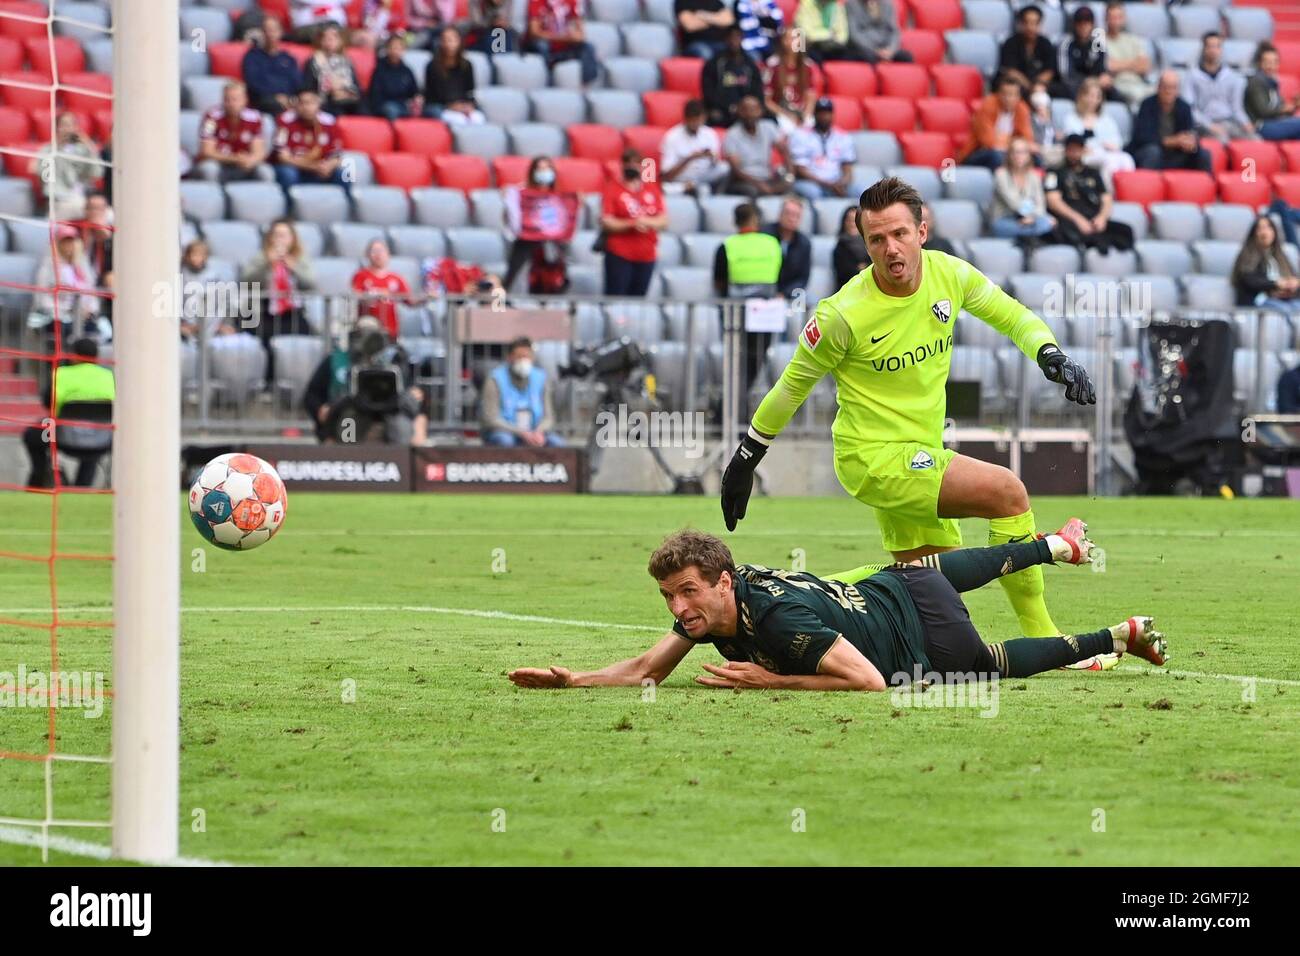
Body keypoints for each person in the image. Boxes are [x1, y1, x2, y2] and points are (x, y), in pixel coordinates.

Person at [718, 177, 1108, 663]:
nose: (891, 248)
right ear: (864, 244)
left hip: (922, 451)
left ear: (922, 230)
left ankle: (780, 602)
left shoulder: (949, 274)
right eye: (877, 239)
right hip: (873, 459)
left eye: (900, 233)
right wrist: (746, 457)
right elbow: (791, 388)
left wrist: (1050, 353)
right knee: (1006, 493)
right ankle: (1050, 638)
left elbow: (1012, 315)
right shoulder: (842, 314)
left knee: (929, 586)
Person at [507, 526, 1168, 691]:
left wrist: (775, 679)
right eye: (669, 598)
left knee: (986, 665)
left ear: (723, 581)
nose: (679, 610)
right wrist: (575, 680)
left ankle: (1117, 633)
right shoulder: (714, 610)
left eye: (686, 592)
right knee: (926, 568)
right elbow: (648, 670)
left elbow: (870, 683)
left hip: (920, 636)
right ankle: (1054, 544)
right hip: (900, 583)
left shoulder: (776, 622)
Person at [303, 316, 428, 445]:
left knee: (403, 428)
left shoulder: (395, 360)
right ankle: (346, 457)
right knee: (347, 424)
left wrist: (416, 394)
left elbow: (412, 391)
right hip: (356, 407)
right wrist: (321, 409)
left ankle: (402, 459)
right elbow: (311, 395)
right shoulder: (338, 359)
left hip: (391, 408)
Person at [22, 338, 115, 489]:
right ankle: (82, 485)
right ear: (96, 357)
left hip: (62, 436)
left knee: (31, 435)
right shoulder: (109, 377)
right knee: (95, 434)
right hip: (101, 440)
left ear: (74, 355)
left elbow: (48, 403)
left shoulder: (62, 374)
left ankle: (39, 476)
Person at [713, 202, 783, 395]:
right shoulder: (772, 243)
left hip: (735, 313)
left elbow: (719, 281)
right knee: (756, 360)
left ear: (735, 221)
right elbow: (780, 274)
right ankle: (737, 407)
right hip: (766, 313)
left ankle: (731, 408)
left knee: (736, 364)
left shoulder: (727, 245)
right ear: (756, 220)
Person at [240, 218, 316, 387]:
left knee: (308, 337)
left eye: (284, 235)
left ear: (292, 239)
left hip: (291, 312)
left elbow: (310, 283)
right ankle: (268, 384)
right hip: (265, 311)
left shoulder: (299, 259)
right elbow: (247, 280)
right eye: (277, 235)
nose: (280, 239)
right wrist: (267, 264)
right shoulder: (261, 257)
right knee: (265, 340)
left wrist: (293, 267)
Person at [1045, 133, 1134, 256]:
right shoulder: (1054, 172)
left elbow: (1106, 198)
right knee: (1064, 232)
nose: (1074, 153)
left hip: (1093, 218)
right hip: (1069, 219)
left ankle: (1100, 243)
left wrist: (1102, 218)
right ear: (1065, 150)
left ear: (1084, 150)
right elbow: (1053, 201)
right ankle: (1097, 243)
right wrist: (1078, 219)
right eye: (1071, 150)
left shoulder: (1093, 172)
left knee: (1126, 231)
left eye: (1077, 150)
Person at [502, 155, 578, 294]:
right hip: (526, 244)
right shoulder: (521, 194)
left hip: (553, 247)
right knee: (512, 279)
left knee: (551, 283)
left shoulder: (561, 198)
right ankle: (499, 309)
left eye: (547, 168)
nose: (544, 172)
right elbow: (510, 222)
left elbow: (566, 222)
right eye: (540, 169)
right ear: (533, 172)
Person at [601, 148, 666, 297]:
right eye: (627, 162)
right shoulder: (612, 189)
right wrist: (632, 224)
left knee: (638, 301)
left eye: (636, 163)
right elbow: (607, 222)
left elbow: (664, 220)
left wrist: (647, 222)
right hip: (620, 253)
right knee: (616, 298)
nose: (632, 166)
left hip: (647, 254)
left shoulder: (651, 188)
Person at [480, 336, 564, 447]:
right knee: (505, 441)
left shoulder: (541, 378)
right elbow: (490, 419)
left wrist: (538, 432)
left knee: (557, 443)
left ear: (532, 358)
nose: (523, 360)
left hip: (535, 431)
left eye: (527, 356)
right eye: (519, 356)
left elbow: (548, 417)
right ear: (510, 358)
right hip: (505, 432)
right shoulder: (495, 378)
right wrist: (521, 433)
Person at [29, 225, 102, 342]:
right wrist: (65, 311)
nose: (68, 245)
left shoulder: (82, 265)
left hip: (82, 316)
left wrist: (90, 310)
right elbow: (41, 296)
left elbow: (91, 292)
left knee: (95, 332)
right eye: (64, 241)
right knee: (64, 332)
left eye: (71, 241)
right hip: (55, 317)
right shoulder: (48, 265)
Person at [1129, 70, 1211, 172]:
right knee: (1153, 152)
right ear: (1158, 87)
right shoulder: (1147, 105)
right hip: (1152, 153)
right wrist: (1173, 141)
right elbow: (1143, 138)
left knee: (1203, 155)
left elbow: (1189, 133)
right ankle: (1146, 186)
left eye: (1173, 87)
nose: (1168, 91)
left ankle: (1204, 186)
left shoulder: (1184, 107)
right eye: (1165, 87)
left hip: (1176, 155)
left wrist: (1191, 143)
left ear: (1178, 90)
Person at [1182, 32, 1254, 143]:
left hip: (1229, 122)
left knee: (1255, 140)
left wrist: (1246, 122)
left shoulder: (1232, 77)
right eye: (1210, 46)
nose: (1213, 50)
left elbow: (1237, 108)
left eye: (1217, 46)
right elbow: (1190, 109)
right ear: (1203, 49)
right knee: (1222, 140)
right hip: (1204, 125)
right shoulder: (1192, 76)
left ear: (1221, 49)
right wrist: (1209, 125)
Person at [195, 81, 274, 183]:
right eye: (227, 99)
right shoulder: (211, 117)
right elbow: (207, 152)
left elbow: (259, 150)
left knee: (265, 171)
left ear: (245, 100)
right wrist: (235, 159)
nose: (231, 104)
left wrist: (251, 160)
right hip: (220, 164)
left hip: (244, 166)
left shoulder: (254, 117)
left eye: (235, 100)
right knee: (210, 169)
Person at [1063, 77, 1136, 187]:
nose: (1093, 100)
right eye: (1090, 96)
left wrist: (1110, 145)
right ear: (1082, 96)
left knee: (1127, 159)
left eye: (1097, 97)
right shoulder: (1072, 119)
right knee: (1108, 161)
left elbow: (1117, 142)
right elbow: (1071, 141)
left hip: (1106, 152)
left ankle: (1129, 191)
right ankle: (1108, 194)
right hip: (1085, 155)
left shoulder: (1106, 119)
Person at [273, 88, 347, 193]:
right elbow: (283, 158)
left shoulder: (329, 121)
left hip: (320, 170)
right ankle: (290, 208)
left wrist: (329, 166)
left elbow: (337, 155)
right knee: (288, 173)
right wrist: (312, 167)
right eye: (303, 103)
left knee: (344, 173)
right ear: (296, 105)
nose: (307, 107)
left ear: (319, 104)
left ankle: (351, 206)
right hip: (297, 168)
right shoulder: (285, 120)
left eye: (311, 102)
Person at [788, 97, 860, 200]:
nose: (824, 116)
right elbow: (800, 170)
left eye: (827, 113)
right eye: (820, 113)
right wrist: (827, 184)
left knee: (859, 192)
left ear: (832, 115)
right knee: (813, 193)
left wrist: (842, 183)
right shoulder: (801, 135)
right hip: (812, 182)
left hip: (836, 181)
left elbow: (848, 169)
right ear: (814, 114)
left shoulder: (843, 137)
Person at [30, 112, 99, 220]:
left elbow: (96, 173)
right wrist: (57, 147)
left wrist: (88, 145)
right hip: (60, 201)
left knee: (106, 213)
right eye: (64, 125)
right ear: (57, 128)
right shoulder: (48, 150)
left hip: (83, 198)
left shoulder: (82, 150)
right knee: (94, 212)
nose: (68, 128)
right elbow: (39, 173)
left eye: (71, 125)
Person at [960, 74, 1036, 171]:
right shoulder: (988, 105)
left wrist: (1003, 139)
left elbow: (1027, 140)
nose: (1009, 99)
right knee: (997, 156)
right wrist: (1015, 143)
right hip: (977, 153)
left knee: (1036, 158)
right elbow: (989, 142)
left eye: (1013, 95)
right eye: (1006, 94)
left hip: (1009, 152)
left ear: (1019, 97)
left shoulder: (1022, 109)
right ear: (998, 94)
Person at [990, 137, 1054, 248]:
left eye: (1023, 152)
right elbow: (1014, 203)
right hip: (1007, 220)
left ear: (1029, 155)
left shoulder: (1034, 176)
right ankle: (1031, 237)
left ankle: (1026, 238)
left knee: (1047, 221)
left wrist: (1032, 218)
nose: (1018, 156)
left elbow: (1041, 205)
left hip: (1030, 220)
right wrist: (1030, 216)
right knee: (1045, 223)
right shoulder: (1001, 174)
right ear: (1009, 155)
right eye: (1015, 152)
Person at [1231, 215, 1300, 316]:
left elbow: (1290, 277)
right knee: (1285, 310)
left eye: (1269, 228)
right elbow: (1250, 281)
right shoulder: (1248, 255)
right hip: (1258, 301)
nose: (1265, 232)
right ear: (1254, 233)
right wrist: (1276, 284)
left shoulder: (1281, 256)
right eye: (1261, 228)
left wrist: (1293, 284)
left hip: (1284, 299)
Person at [660, 98, 730, 196]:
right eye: (692, 121)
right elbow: (667, 175)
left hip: (703, 175)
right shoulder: (672, 136)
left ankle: (718, 195)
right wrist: (689, 158)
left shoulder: (709, 133)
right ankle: (688, 188)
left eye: (698, 120)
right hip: (682, 176)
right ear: (686, 118)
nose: (695, 124)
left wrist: (712, 156)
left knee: (725, 168)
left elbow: (716, 163)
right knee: (704, 190)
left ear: (704, 118)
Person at [724, 94, 790, 197]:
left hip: (767, 177)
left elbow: (785, 151)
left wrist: (790, 175)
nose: (750, 114)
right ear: (739, 112)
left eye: (754, 109)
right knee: (753, 191)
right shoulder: (732, 134)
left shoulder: (769, 126)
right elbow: (736, 170)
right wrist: (759, 184)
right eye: (745, 110)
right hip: (745, 181)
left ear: (760, 111)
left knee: (789, 187)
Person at [702, 25, 765, 129]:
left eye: (737, 37)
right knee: (713, 117)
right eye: (731, 37)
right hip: (723, 110)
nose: (734, 41)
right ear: (725, 39)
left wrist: (746, 109)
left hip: (747, 111)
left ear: (742, 39)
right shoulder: (714, 64)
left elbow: (757, 93)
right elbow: (709, 94)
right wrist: (730, 107)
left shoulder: (750, 65)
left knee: (769, 119)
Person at [1057, 5, 1122, 103]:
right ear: (1074, 25)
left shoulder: (1098, 43)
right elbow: (1067, 75)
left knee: (1116, 94)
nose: (1083, 27)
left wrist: (1104, 79)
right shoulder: (1067, 44)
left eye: (1087, 23)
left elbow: (1102, 69)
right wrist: (1093, 82)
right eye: (1080, 23)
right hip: (1074, 85)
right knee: (1069, 89)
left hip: (1096, 84)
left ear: (1092, 24)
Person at [763, 27, 823, 135]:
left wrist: (806, 115)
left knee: (812, 129)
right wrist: (786, 114)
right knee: (789, 129)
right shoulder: (772, 65)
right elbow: (767, 101)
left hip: (801, 113)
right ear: (783, 41)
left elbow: (811, 96)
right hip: (781, 113)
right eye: (791, 38)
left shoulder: (808, 66)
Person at [526, 0, 599, 87]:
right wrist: (563, 38)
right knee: (542, 45)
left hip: (563, 46)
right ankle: (548, 83)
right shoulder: (537, 2)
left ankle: (586, 87)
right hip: (545, 46)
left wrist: (571, 37)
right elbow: (534, 32)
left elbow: (580, 35)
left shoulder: (572, 2)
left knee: (588, 47)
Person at [423, 25, 486, 125]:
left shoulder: (467, 65)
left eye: (452, 40)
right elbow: (433, 95)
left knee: (478, 118)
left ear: (459, 42)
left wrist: (468, 105)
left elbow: (470, 91)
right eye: (446, 40)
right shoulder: (432, 66)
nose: (449, 44)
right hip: (440, 105)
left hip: (461, 104)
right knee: (458, 120)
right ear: (441, 43)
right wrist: (451, 106)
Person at [351, 239, 413, 339]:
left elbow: (410, 300)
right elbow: (357, 295)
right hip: (368, 331)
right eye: (374, 251)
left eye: (381, 251)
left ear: (388, 254)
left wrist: (426, 297)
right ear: (368, 255)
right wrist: (376, 295)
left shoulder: (395, 278)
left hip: (390, 331)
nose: (378, 255)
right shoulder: (361, 275)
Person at [242, 15, 303, 115]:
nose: (271, 34)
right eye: (267, 30)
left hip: (288, 100)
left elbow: (297, 83)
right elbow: (253, 83)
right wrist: (276, 96)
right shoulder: (252, 56)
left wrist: (288, 99)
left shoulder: (288, 58)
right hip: (264, 101)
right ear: (262, 33)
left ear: (281, 32)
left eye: (274, 30)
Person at [997, 4, 1062, 97]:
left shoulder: (1046, 43)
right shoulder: (1010, 43)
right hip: (1019, 85)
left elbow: (1049, 71)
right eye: (1027, 22)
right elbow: (1011, 71)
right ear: (1021, 24)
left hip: (1039, 85)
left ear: (1040, 24)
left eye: (1035, 23)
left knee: (1060, 89)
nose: (1031, 27)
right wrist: (1030, 87)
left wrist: (1038, 84)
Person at [179, 239, 237, 342]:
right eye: (194, 254)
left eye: (200, 255)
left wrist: (222, 324)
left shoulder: (214, 277)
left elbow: (222, 303)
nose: (196, 258)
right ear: (187, 256)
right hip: (187, 324)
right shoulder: (181, 276)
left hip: (210, 325)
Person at [303, 22, 365, 115]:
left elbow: (356, 86)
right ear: (320, 41)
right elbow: (309, 88)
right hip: (326, 100)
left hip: (347, 98)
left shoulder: (346, 61)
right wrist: (332, 91)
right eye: (326, 38)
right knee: (336, 110)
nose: (330, 41)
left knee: (363, 108)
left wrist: (346, 93)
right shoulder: (313, 61)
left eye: (334, 37)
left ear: (340, 41)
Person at [1103, 1, 1154, 110]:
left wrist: (1119, 64)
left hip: (1139, 83)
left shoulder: (1132, 39)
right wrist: (1134, 63)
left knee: (1160, 94)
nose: (1116, 21)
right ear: (1106, 19)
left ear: (1124, 19)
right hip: (1118, 85)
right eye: (1112, 17)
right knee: (1139, 95)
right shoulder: (1099, 40)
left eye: (1119, 17)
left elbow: (1145, 66)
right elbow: (1108, 66)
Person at [1246, 43, 1300, 143]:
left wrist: (1294, 106)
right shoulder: (1256, 81)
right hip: (1261, 126)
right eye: (1267, 62)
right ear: (1259, 63)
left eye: (1275, 62)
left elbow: (1282, 108)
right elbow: (1264, 111)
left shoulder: (1272, 82)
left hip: (1275, 123)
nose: (1271, 66)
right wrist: (1287, 108)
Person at [762, 196, 811, 299]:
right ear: (780, 215)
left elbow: (802, 278)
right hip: (762, 291)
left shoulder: (804, 243)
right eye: (788, 213)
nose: (791, 218)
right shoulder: (764, 235)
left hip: (789, 294)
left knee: (808, 303)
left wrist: (784, 294)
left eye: (796, 215)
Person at [368, 33, 423, 120]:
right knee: (391, 109)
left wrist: (417, 99)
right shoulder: (379, 69)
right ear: (387, 49)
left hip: (403, 106)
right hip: (385, 106)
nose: (395, 51)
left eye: (399, 48)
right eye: (393, 47)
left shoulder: (407, 70)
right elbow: (375, 95)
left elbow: (414, 92)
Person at [796, 0, 865, 65]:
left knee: (857, 58)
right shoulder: (806, 4)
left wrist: (834, 40)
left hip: (834, 46)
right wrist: (829, 34)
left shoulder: (837, 6)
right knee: (814, 57)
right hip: (813, 46)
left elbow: (843, 35)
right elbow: (806, 32)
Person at [846, 0, 912, 65]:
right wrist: (875, 50)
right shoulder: (851, 4)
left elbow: (894, 32)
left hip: (885, 48)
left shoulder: (887, 4)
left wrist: (890, 50)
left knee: (906, 57)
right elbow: (854, 34)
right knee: (868, 57)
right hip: (865, 49)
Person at [832, 203, 867, 288]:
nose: (852, 223)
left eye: (855, 220)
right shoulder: (840, 247)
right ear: (844, 223)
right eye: (849, 220)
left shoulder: (872, 244)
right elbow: (845, 275)